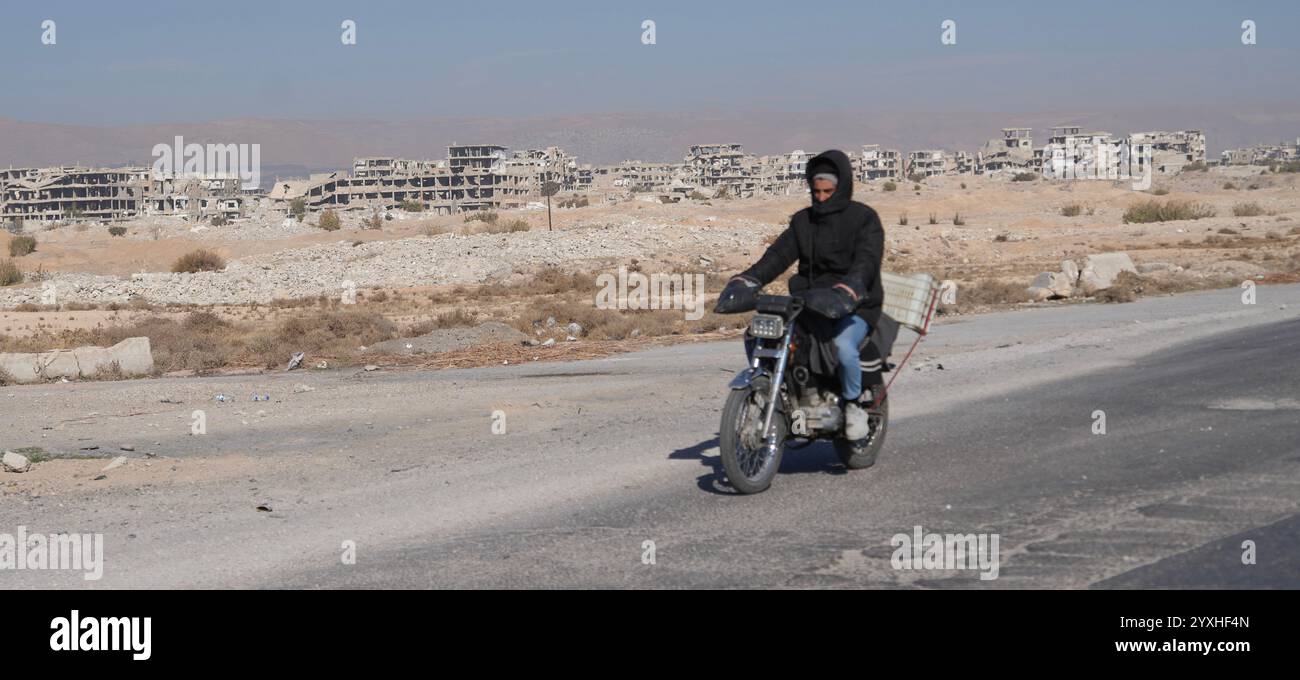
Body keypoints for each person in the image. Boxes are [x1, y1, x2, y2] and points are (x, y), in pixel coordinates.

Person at [728, 149, 885, 440]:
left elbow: (866, 262)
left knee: (844, 347)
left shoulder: (864, 220)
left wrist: (849, 289)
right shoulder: (803, 222)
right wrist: (748, 279)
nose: (822, 197)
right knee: (758, 335)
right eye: (817, 191)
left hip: (855, 304)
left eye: (828, 191)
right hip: (810, 302)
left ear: (842, 187)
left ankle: (852, 406)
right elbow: (777, 257)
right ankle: (787, 393)